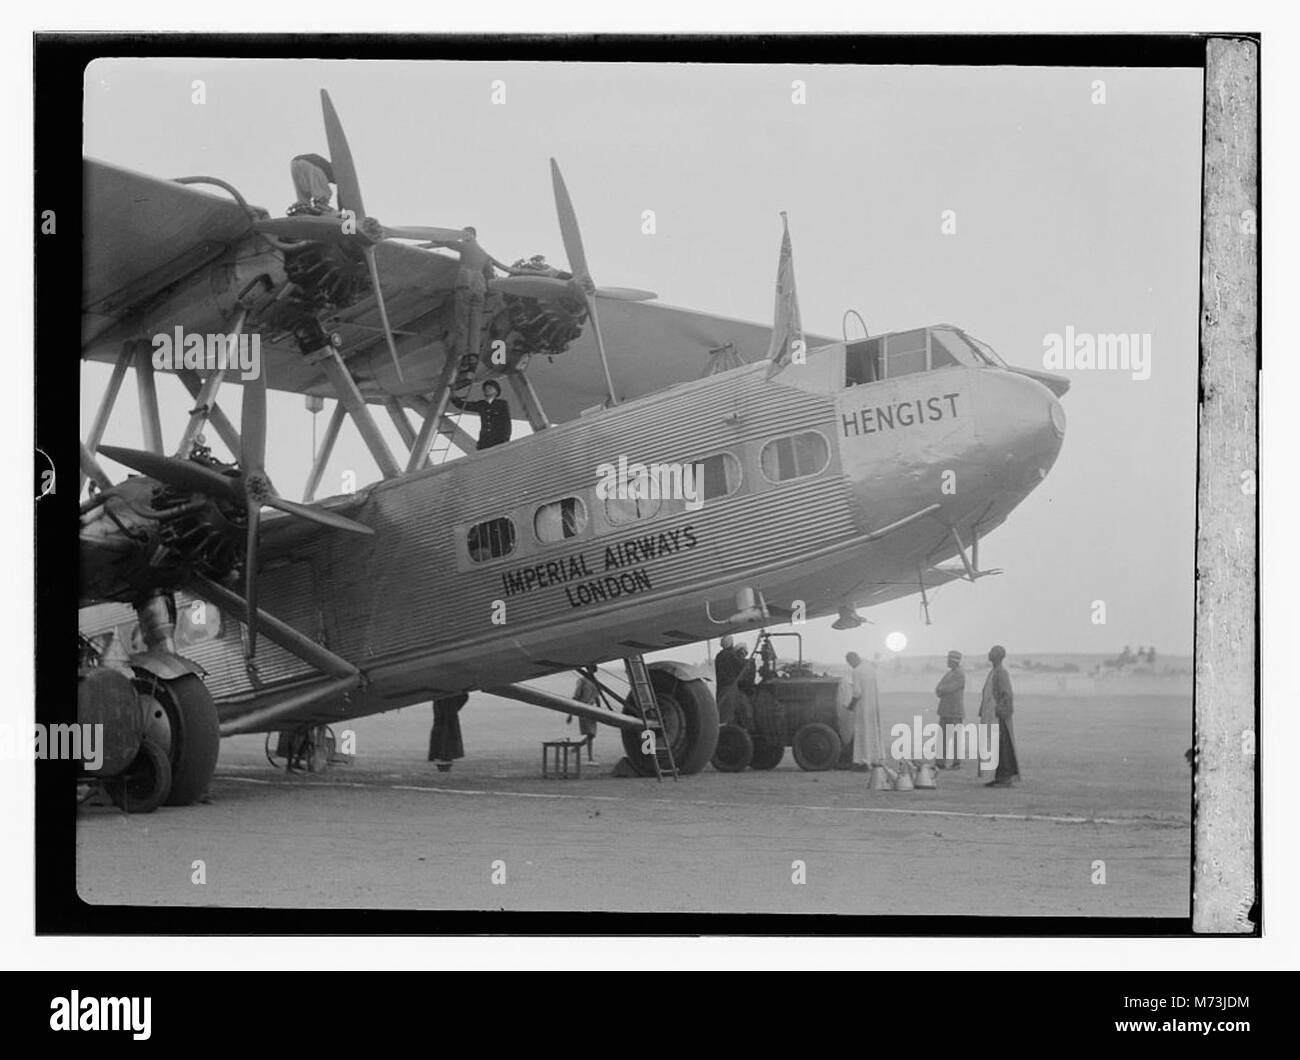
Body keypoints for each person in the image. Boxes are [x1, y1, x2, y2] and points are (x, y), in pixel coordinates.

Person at [979, 645, 1020, 787]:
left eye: (992, 652)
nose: (989, 654)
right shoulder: (994, 672)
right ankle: (998, 777)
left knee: (1003, 747)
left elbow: (1007, 695)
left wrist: (1000, 712)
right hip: (991, 715)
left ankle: (1005, 778)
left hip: (998, 717)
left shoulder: (1001, 673)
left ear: (998, 656)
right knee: (994, 747)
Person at [839, 651, 883, 771]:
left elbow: (857, 693)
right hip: (873, 705)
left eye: (849, 662)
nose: (850, 665)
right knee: (873, 731)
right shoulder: (870, 668)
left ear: (853, 660)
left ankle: (863, 761)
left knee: (863, 733)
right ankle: (875, 759)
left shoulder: (857, 671)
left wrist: (850, 706)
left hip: (863, 707)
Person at [449, 379, 512, 450]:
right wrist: (453, 396)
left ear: (496, 391)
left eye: (490, 388)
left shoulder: (502, 404)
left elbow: (506, 422)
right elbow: (464, 405)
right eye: (486, 388)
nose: (487, 389)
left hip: (499, 439)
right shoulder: (481, 404)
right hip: (484, 441)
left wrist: (506, 438)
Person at [934, 649, 966, 769]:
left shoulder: (959, 674)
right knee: (942, 737)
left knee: (955, 738)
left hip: (954, 711)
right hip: (945, 711)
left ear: (953, 660)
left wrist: (942, 689)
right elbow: (939, 688)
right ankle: (940, 762)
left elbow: (945, 689)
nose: (947, 661)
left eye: (948, 659)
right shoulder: (950, 673)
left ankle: (956, 763)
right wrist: (942, 689)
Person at [428, 692, 468, 773]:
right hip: (446, 710)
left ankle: (444, 761)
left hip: (445, 709)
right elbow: (464, 697)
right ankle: (444, 762)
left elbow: (464, 697)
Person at [567, 674, 601, 763]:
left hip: (592, 710)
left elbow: (597, 697)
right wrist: (570, 714)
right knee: (590, 733)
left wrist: (599, 711)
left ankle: (577, 749)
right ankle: (588, 756)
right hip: (583, 709)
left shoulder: (594, 681)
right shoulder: (582, 681)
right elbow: (576, 697)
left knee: (592, 734)